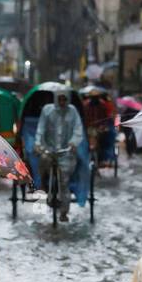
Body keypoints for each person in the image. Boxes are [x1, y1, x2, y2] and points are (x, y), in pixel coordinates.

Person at [34, 86, 84, 223]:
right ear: (56, 99)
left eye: (64, 99)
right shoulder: (47, 110)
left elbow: (78, 129)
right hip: (49, 150)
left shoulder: (73, 111)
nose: (62, 102)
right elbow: (40, 128)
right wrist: (38, 144)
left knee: (64, 182)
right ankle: (43, 184)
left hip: (66, 153)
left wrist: (74, 143)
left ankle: (64, 212)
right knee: (42, 161)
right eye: (60, 99)